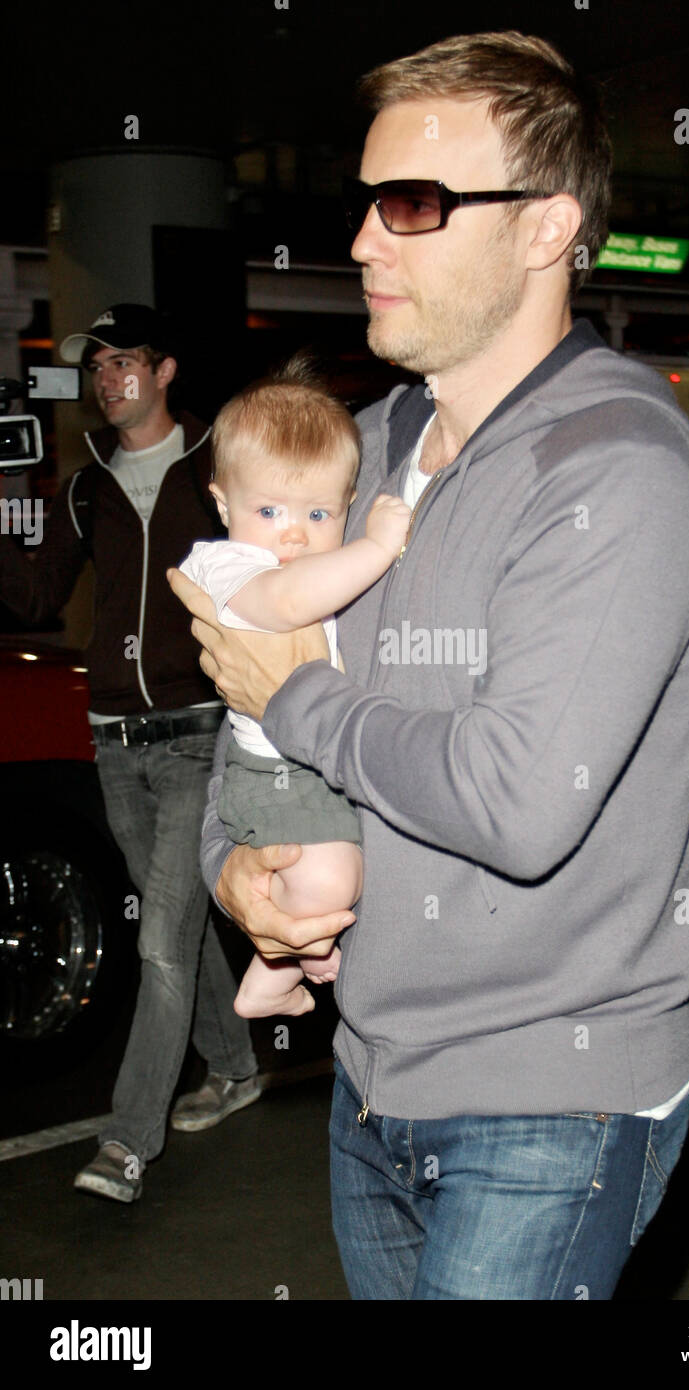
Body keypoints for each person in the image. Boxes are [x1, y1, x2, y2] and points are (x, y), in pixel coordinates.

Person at [170, 30, 689, 1298]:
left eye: (413, 205)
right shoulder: (354, 447)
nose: (365, 240)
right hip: (369, 1077)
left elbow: (516, 802)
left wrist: (301, 699)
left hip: (549, 1102)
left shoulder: (611, 469)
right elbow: (242, 695)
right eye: (364, 202)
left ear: (544, 230)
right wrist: (235, 873)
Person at [0, 304, 261, 1204]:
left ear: (166, 370)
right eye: (97, 367)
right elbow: (35, 597)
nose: (108, 379)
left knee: (158, 944)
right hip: (115, 741)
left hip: (197, 733)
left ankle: (127, 1143)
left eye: (124, 363)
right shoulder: (85, 489)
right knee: (174, 918)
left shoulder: (218, 466)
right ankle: (236, 1065)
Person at [179, 360, 411, 1018]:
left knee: (337, 871)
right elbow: (285, 602)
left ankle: (292, 963)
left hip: (304, 762)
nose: (293, 532)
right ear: (222, 504)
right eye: (269, 509)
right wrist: (375, 547)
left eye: (317, 512)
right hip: (274, 769)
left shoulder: (286, 552)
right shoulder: (223, 563)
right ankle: (275, 969)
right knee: (336, 877)